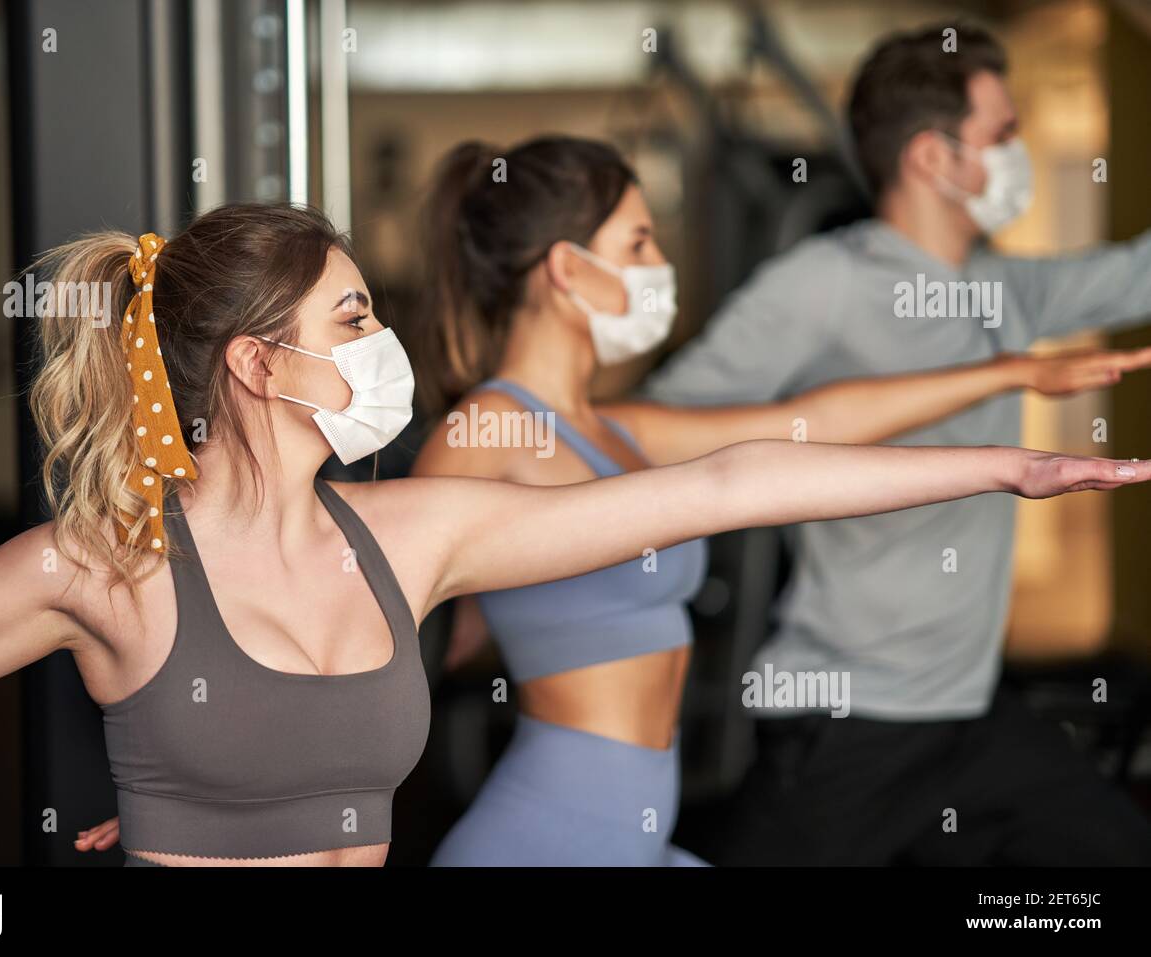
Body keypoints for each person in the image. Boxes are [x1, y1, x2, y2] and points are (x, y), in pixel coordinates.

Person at [398, 136, 1151, 866]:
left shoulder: (619, 430)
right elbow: (376, 619)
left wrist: (1007, 373)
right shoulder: (483, 432)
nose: (661, 265)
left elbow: (813, 423)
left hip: (637, 834)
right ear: (568, 268)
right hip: (551, 835)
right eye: (638, 245)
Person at [641, 23, 1151, 864]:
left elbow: (1137, 272)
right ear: (932, 157)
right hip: (847, 720)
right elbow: (655, 428)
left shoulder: (1004, 291)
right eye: (1003, 133)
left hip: (968, 712)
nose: (1017, 151)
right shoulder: (825, 283)